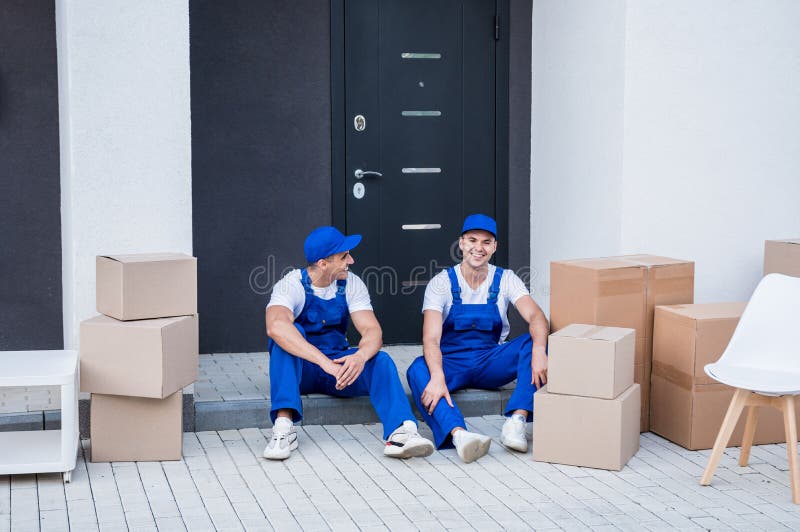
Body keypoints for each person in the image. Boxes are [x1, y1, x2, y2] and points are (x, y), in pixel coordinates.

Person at [264, 225, 434, 460]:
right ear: (323, 263)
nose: (351, 260)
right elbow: (275, 326)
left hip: (339, 372)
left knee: (380, 360)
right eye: (344, 256)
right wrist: (325, 363)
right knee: (287, 337)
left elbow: (372, 330)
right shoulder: (291, 284)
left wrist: (360, 356)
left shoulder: (351, 284)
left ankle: (401, 433)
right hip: (301, 371)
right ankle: (284, 428)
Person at [406, 214, 549, 463]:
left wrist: (538, 349)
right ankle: (459, 434)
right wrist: (438, 376)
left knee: (538, 339)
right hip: (452, 363)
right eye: (472, 240)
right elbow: (430, 339)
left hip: (490, 361)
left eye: (486, 242)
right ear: (461, 244)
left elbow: (536, 316)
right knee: (418, 370)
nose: (478, 248)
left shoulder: (506, 279)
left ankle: (517, 421)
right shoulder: (441, 283)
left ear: (494, 247)